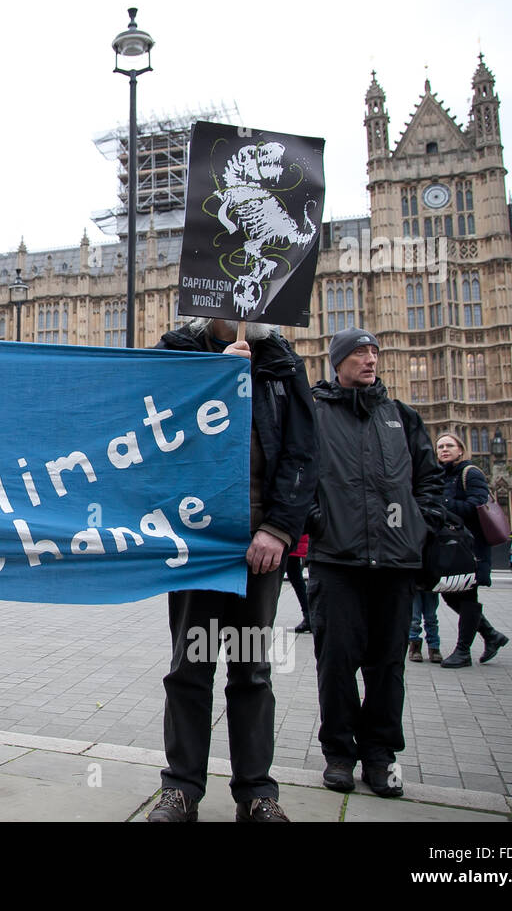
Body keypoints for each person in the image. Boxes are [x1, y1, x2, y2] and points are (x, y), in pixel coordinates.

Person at [146, 317, 317, 823]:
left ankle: (257, 794)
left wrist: (280, 528)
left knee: (251, 670)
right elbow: (144, 431)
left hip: (259, 541)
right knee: (189, 668)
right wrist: (216, 381)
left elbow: (304, 453)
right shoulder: (177, 352)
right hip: (197, 540)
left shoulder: (282, 362)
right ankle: (181, 790)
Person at [307, 328, 442, 798]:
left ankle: (381, 756)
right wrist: (318, 521)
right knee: (337, 663)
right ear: (337, 361)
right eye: (360, 352)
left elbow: (429, 480)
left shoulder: (400, 417)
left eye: (374, 352)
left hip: (396, 562)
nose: (370, 359)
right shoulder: (314, 413)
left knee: (388, 666)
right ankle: (339, 755)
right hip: (336, 559)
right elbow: (295, 473)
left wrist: (419, 525)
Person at [433, 432, 509, 669]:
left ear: (461, 450)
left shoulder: (470, 473)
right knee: (449, 593)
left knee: (466, 595)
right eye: (440, 447)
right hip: (453, 547)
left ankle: (463, 651)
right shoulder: (441, 476)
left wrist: (442, 504)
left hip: (471, 547)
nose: (444, 450)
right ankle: (491, 635)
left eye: (449, 446)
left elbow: (476, 504)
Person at [408, 587, 442, 663]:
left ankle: (434, 647)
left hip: (431, 584)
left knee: (431, 618)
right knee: (414, 619)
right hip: (414, 583)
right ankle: (414, 646)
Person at [286, 533, 311, 635]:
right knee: (296, 578)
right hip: (293, 539)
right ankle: (309, 616)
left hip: (292, 539)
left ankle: (309, 616)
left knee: (296, 578)